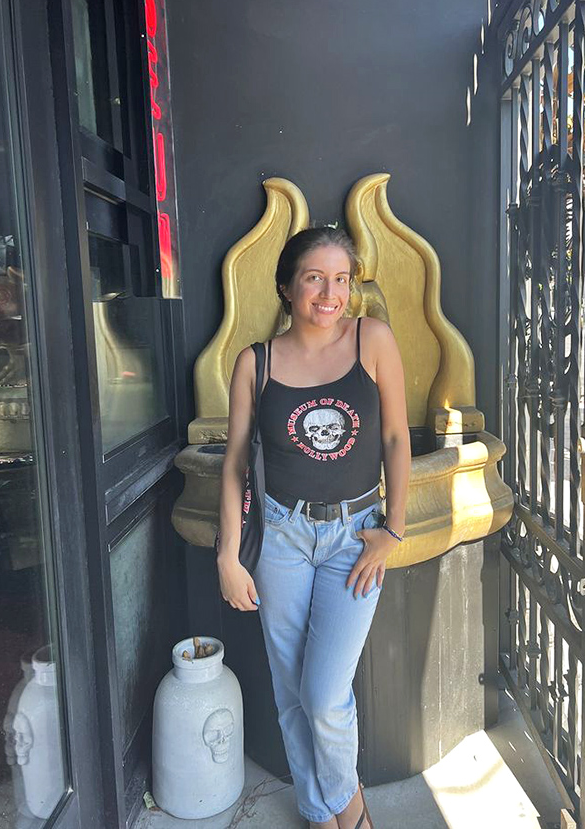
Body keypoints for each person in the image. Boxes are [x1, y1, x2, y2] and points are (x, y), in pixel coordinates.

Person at [216, 227, 411, 829]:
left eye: (341, 279)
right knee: (290, 690)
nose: (330, 294)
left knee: (323, 694)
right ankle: (322, 816)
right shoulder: (256, 362)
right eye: (314, 278)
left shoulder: (372, 339)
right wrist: (229, 556)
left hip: (355, 538)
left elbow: (396, 437)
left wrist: (393, 529)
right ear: (286, 286)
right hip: (281, 538)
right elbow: (235, 462)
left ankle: (349, 807)